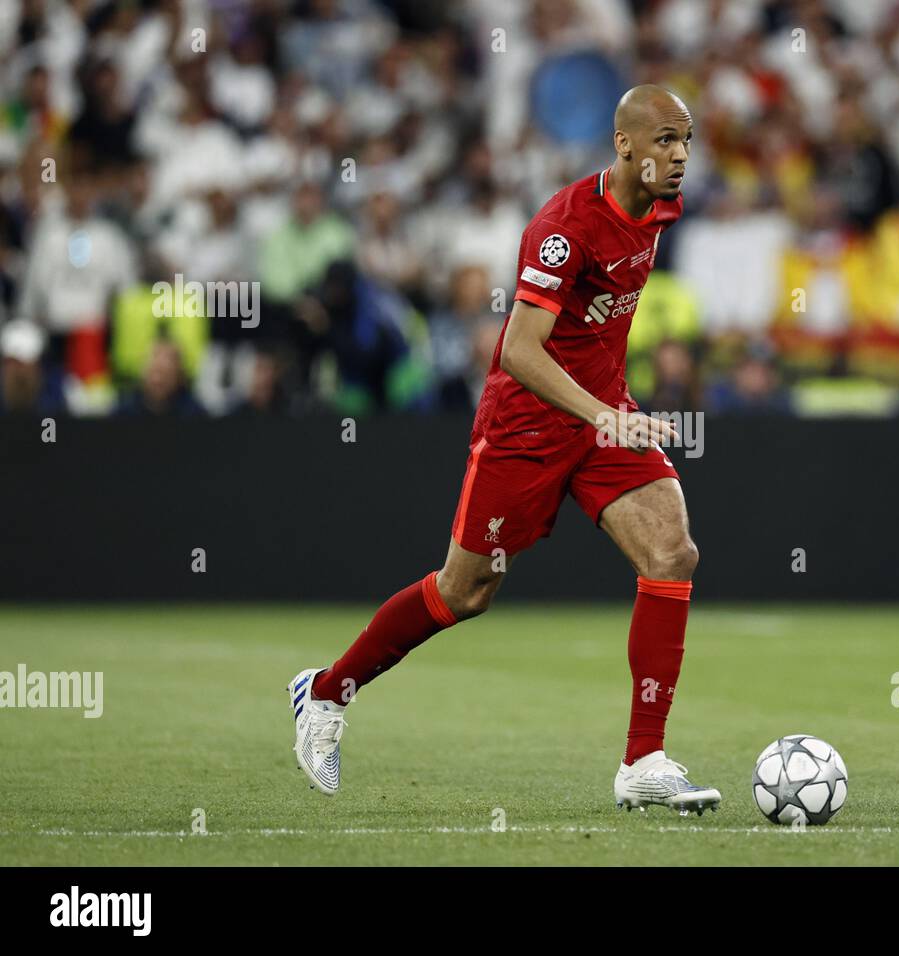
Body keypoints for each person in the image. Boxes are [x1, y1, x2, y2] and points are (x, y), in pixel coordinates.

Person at [287, 86, 720, 815]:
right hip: (526, 426)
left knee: (672, 552)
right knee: (465, 593)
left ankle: (643, 759)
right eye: (666, 141)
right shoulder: (564, 227)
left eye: (687, 141)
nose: (679, 157)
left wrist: (607, 414)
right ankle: (325, 693)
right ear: (624, 145)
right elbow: (518, 350)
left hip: (601, 416)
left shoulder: (662, 208)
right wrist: (598, 413)